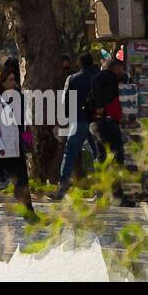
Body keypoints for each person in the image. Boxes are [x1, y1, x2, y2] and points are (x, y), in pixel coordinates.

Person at [0, 64, 35, 223]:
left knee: (22, 182)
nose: (14, 82)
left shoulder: (17, 95)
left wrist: (27, 140)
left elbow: (24, 120)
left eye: (14, 79)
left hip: (15, 146)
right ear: (1, 81)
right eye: (10, 80)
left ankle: (29, 215)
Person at [85, 49, 135, 206]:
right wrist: (100, 106)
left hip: (99, 123)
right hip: (106, 123)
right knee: (116, 157)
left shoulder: (109, 79)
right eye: (121, 69)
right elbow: (96, 83)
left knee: (102, 158)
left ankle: (101, 193)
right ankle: (116, 195)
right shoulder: (107, 76)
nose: (122, 72)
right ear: (115, 68)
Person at [54, 53, 100, 199]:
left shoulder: (73, 79)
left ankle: (62, 187)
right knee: (98, 153)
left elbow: (65, 101)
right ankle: (101, 188)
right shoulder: (100, 77)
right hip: (97, 119)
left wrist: (65, 118)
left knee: (70, 152)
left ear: (79, 63)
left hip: (78, 119)